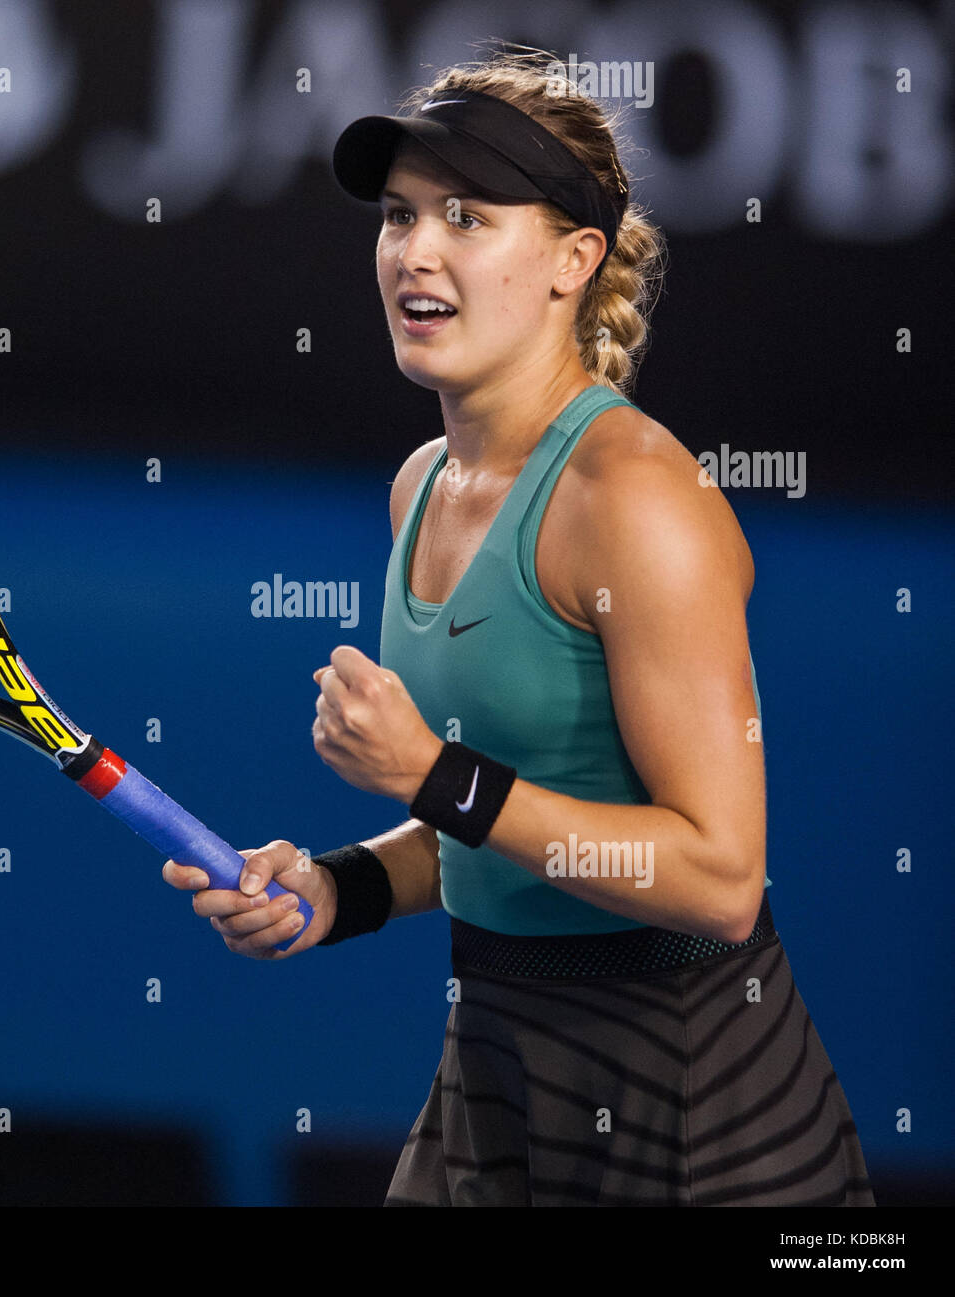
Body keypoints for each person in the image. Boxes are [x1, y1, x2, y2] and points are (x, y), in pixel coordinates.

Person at [162, 48, 874, 1207]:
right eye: (398, 217)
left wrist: (434, 773)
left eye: (467, 218)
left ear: (571, 260)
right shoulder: (419, 487)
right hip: (496, 1067)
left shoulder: (634, 499)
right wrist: (340, 887)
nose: (415, 252)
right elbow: (511, 830)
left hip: (697, 1104)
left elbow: (717, 876)